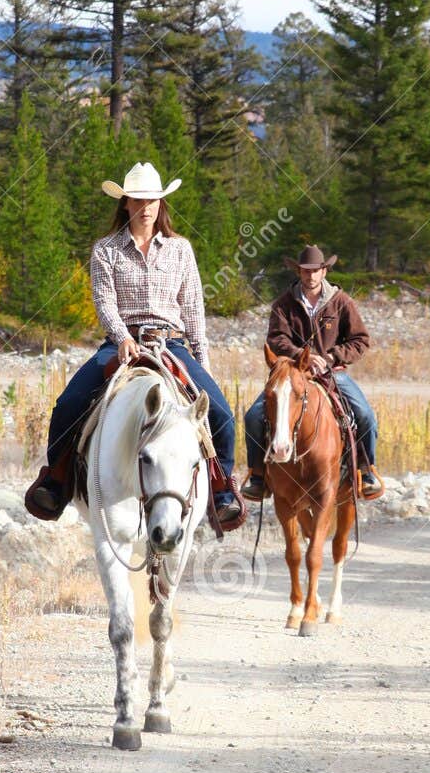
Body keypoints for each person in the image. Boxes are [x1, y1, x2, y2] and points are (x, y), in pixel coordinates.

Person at [24, 162, 243, 530]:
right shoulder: (106, 250)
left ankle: (221, 491)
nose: (145, 207)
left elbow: (193, 308)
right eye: (138, 200)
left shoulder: (180, 249)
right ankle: (56, 481)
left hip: (172, 344)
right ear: (125, 203)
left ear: (161, 204)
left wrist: (202, 360)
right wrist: (122, 337)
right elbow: (104, 301)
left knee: (222, 414)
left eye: (152, 200)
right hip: (121, 343)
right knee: (69, 404)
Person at [242, 244, 382, 501]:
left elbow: (360, 340)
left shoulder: (341, 302)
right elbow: (276, 338)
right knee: (253, 417)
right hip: (291, 373)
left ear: (324, 271)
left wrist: (330, 357)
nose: (311, 275)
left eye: (316, 270)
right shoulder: (284, 304)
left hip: (332, 373)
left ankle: (366, 470)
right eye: (306, 270)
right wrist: (301, 356)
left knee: (365, 415)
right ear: (299, 271)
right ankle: (258, 476)